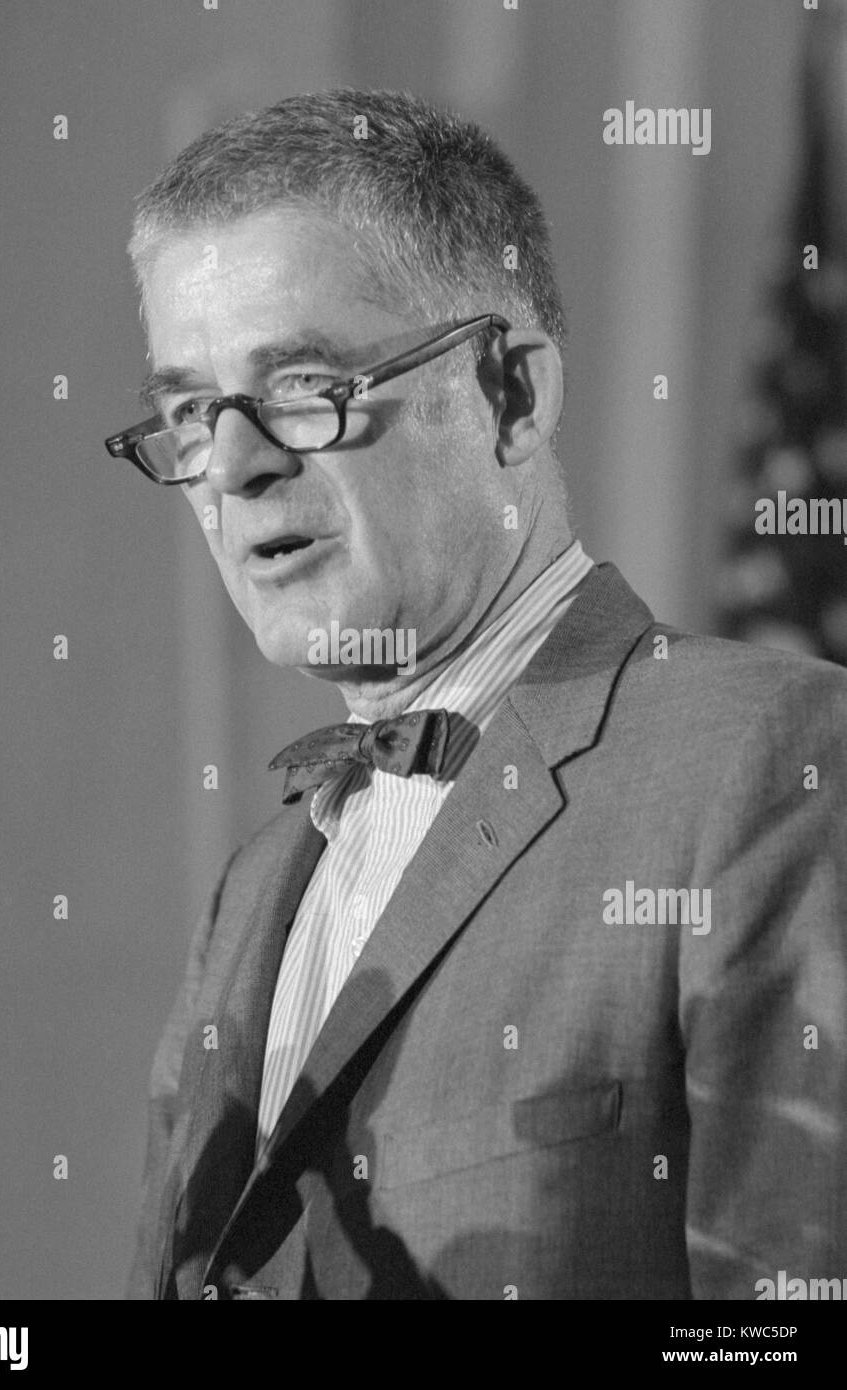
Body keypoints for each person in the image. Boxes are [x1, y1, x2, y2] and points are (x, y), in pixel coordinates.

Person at [108, 88, 847, 1300]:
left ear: (510, 395)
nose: (233, 467)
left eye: (301, 383)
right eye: (190, 410)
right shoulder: (250, 893)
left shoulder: (765, 763)